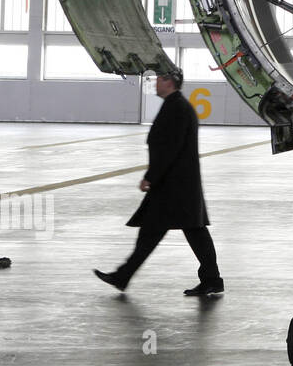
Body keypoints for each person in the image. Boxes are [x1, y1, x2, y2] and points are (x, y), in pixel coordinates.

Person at [94, 69, 223, 296]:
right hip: (177, 185)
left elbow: (168, 149)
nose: (154, 83)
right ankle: (211, 280)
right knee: (187, 232)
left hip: (174, 187)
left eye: (158, 80)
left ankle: (122, 276)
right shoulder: (176, 105)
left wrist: (150, 177)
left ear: (169, 82)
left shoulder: (177, 108)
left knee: (164, 233)